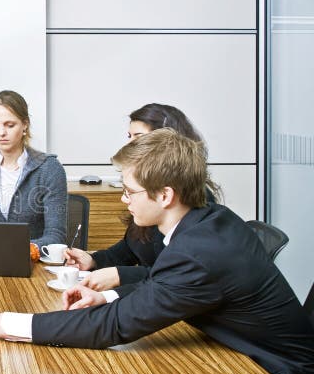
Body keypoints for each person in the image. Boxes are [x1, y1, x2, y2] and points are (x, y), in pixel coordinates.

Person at [0, 129, 314, 374]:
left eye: (129, 190)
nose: (123, 199)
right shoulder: (210, 220)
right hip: (235, 355)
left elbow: (115, 327)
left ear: (164, 195)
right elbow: (161, 280)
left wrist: (0, 323)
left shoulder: (201, 252)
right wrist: (110, 295)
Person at [64, 103, 218, 291]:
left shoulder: (194, 200)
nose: (130, 144)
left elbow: (177, 275)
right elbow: (131, 247)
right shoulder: (147, 189)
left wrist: (120, 275)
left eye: (139, 137)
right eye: (129, 137)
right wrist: (93, 260)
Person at [0, 90, 67, 248]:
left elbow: (56, 236)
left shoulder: (49, 168)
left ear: (25, 125)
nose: (1, 133)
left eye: (10, 125)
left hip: (32, 261)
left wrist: (18, 249)